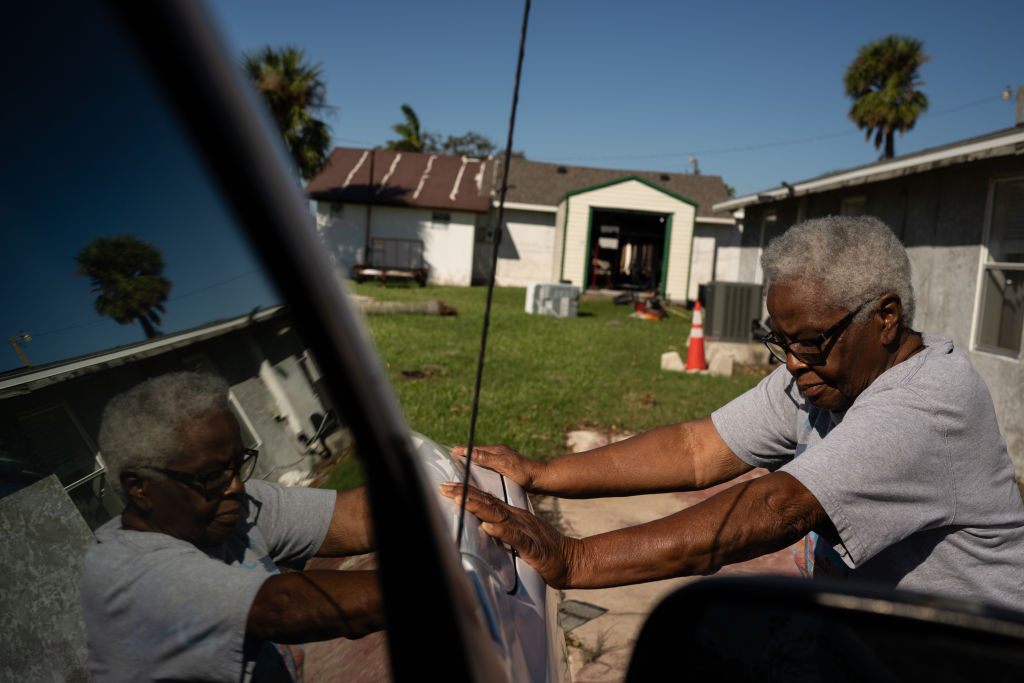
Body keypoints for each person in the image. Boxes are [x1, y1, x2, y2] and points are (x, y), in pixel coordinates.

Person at [441, 215, 1024, 613]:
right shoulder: (824, 375)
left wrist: (576, 559)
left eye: (811, 342)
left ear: (887, 316)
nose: (793, 364)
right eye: (783, 342)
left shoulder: (925, 404)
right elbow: (698, 449)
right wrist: (542, 473)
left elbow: (779, 506)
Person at [80, 372, 383, 682]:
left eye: (237, 465)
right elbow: (283, 605)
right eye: (211, 476)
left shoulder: (224, 503)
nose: (236, 486)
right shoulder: (127, 575)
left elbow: (354, 517)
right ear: (140, 488)